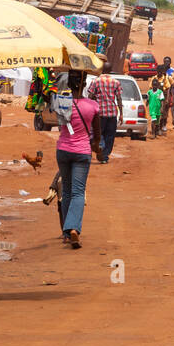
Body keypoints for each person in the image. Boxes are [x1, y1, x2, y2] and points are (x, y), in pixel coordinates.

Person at [52, 72, 103, 249]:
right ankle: (73, 228)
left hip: (63, 150)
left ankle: (67, 233)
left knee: (66, 191)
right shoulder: (93, 105)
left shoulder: (61, 102)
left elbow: (61, 125)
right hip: (82, 151)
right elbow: (97, 134)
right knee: (78, 192)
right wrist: (97, 146)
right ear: (84, 84)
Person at [85, 61, 124, 164]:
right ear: (111, 70)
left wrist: (88, 109)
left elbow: (91, 96)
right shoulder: (116, 82)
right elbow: (119, 99)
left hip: (100, 113)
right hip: (112, 113)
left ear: (102, 70)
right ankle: (105, 156)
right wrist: (121, 114)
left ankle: (101, 146)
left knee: (99, 132)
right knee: (110, 135)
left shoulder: (96, 81)